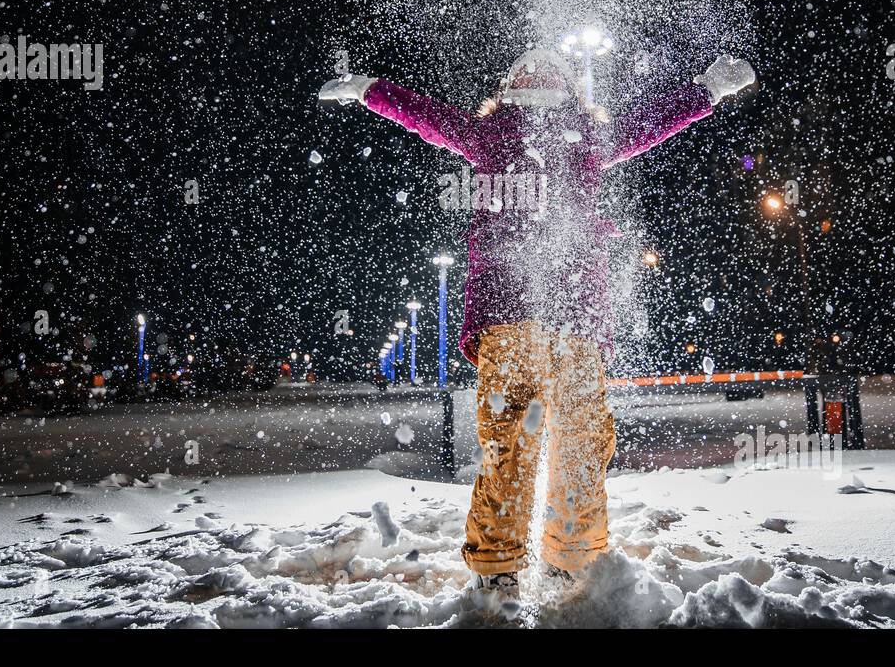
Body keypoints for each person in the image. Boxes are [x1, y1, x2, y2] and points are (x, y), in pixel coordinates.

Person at [318, 48, 755, 609]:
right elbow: (654, 119)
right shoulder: (582, 138)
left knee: (509, 450)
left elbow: (421, 113)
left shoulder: (487, 134)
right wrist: (709, 88)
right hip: (571, 323)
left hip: (510, 326)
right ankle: (569, 564)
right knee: (576, 447)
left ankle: (501, 570)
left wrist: (368, 88)